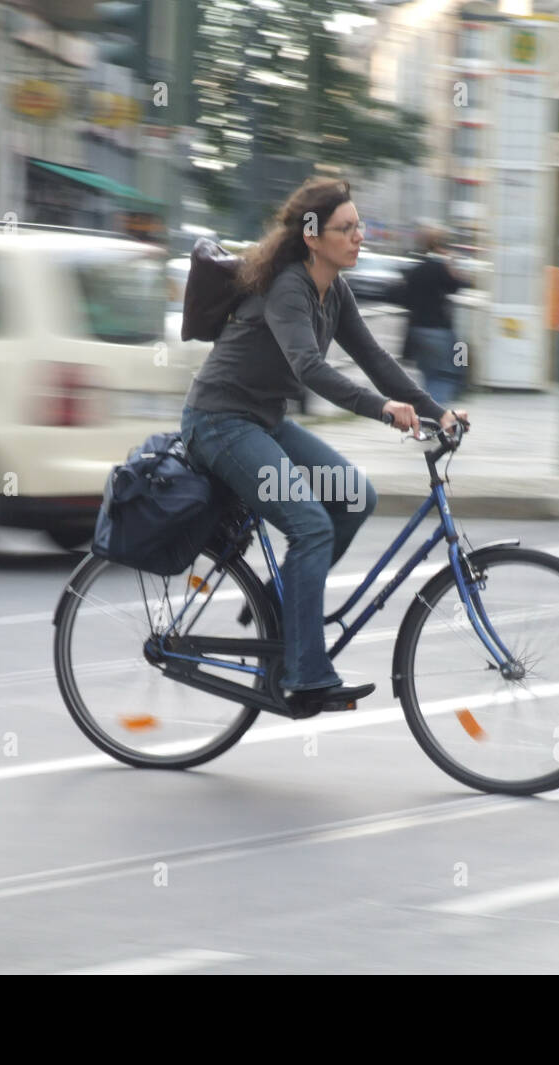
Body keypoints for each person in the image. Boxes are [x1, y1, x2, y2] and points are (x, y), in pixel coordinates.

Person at [180, 178, 469, 714]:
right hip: (219, 424)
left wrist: (436, 411)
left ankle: (278, 605)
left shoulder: (333, 289)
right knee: (310, 523)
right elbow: (307, 367)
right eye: (347, 228)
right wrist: (379, 409)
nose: (360, 236)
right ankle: (306, 674)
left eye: (359, 226)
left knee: (355, 496)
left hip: (261, 422)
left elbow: (375, 360)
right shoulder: (288, 287)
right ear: (314, 237)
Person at [399, 227, 469, 405]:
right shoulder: (440, 268)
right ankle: (435, 415)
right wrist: (453, 263)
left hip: (416, 331)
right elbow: (458, 285)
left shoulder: (415, 270)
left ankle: (426, 413)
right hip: (438, 330)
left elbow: (404, 297)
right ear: (440, 246)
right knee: (447, 374)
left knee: (429, 375)